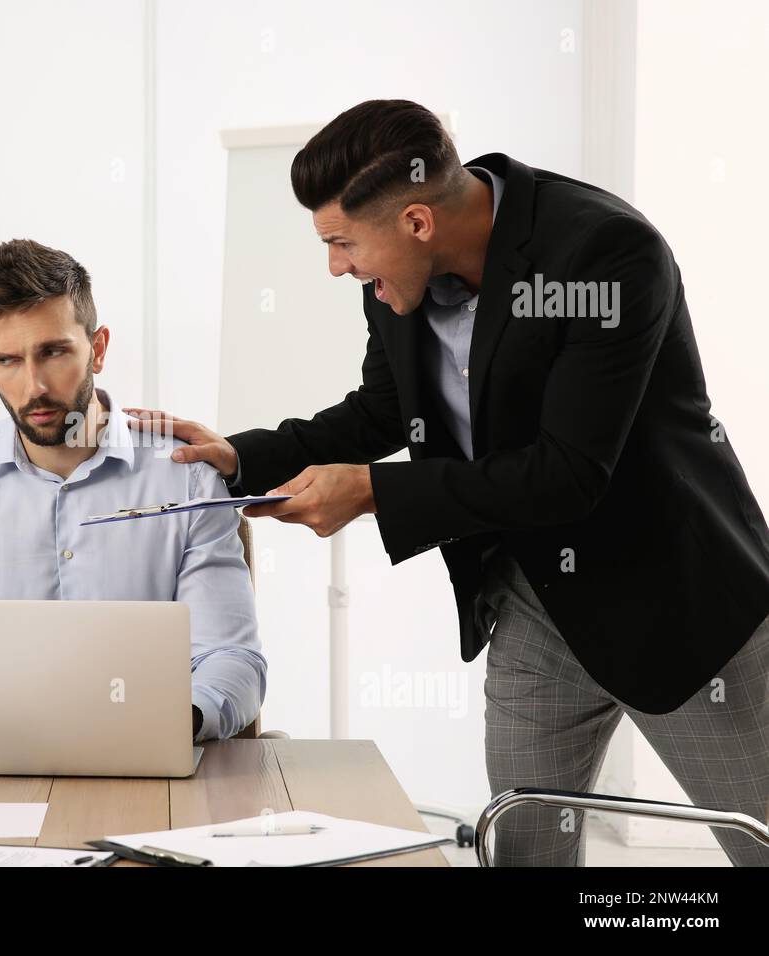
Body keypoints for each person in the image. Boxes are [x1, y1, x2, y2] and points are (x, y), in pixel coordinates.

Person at [126, 99, 769, 864]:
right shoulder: (398, 282)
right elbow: (382, 409)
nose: (337, 266)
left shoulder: (607, 255)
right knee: (520, 850)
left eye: (340, 243)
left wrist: (372, 492)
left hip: (682, 608)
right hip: (536, 603)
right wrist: (241, 456)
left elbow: (569, 474)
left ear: (418, 223)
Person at [0, 238, 265, 742]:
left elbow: (230, 660)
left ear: (98, 348)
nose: (33, 385)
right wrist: (5, 728)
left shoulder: (186, 476)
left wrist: (171, 722)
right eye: (7, 361)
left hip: (147, 766)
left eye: (53, 351)